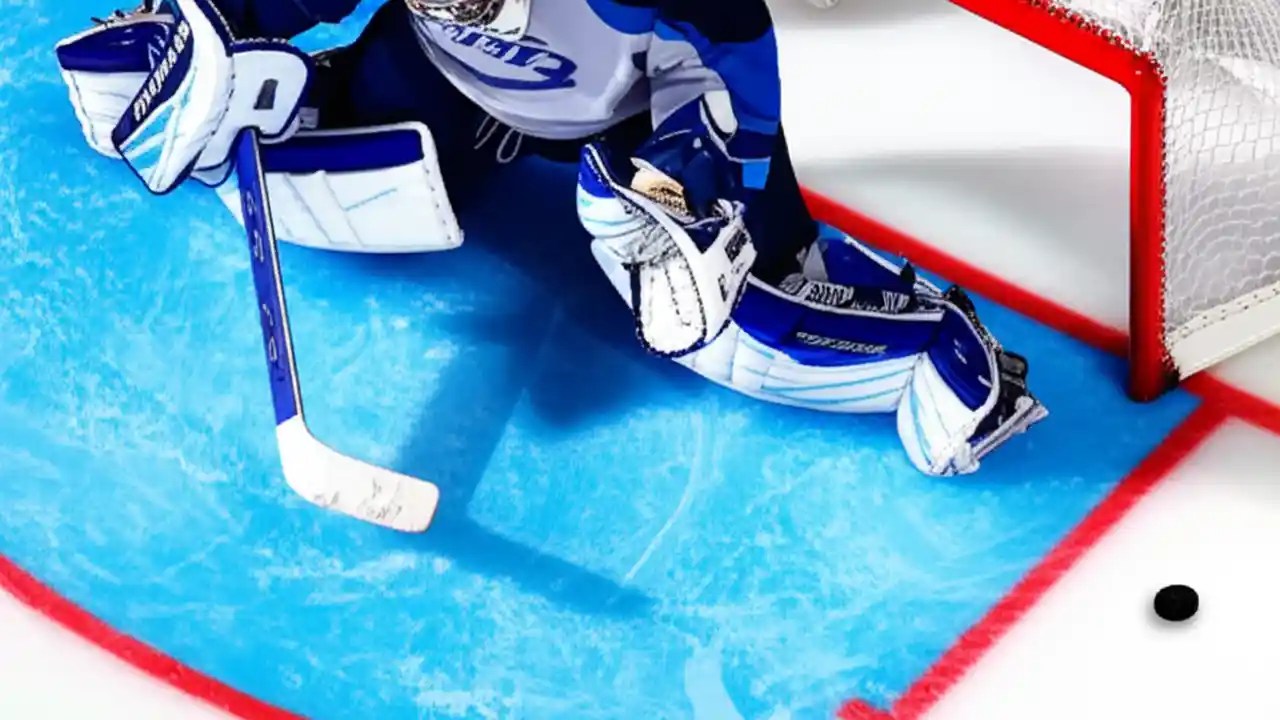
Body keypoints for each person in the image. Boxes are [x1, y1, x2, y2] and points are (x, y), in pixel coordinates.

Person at [53, 0, 1047, 475]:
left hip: (635, 117)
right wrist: (214, 28)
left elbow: (739, 60)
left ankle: (926, 343)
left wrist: (702, 177)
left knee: (714, 317)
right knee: (329, 173)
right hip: (449, 85)